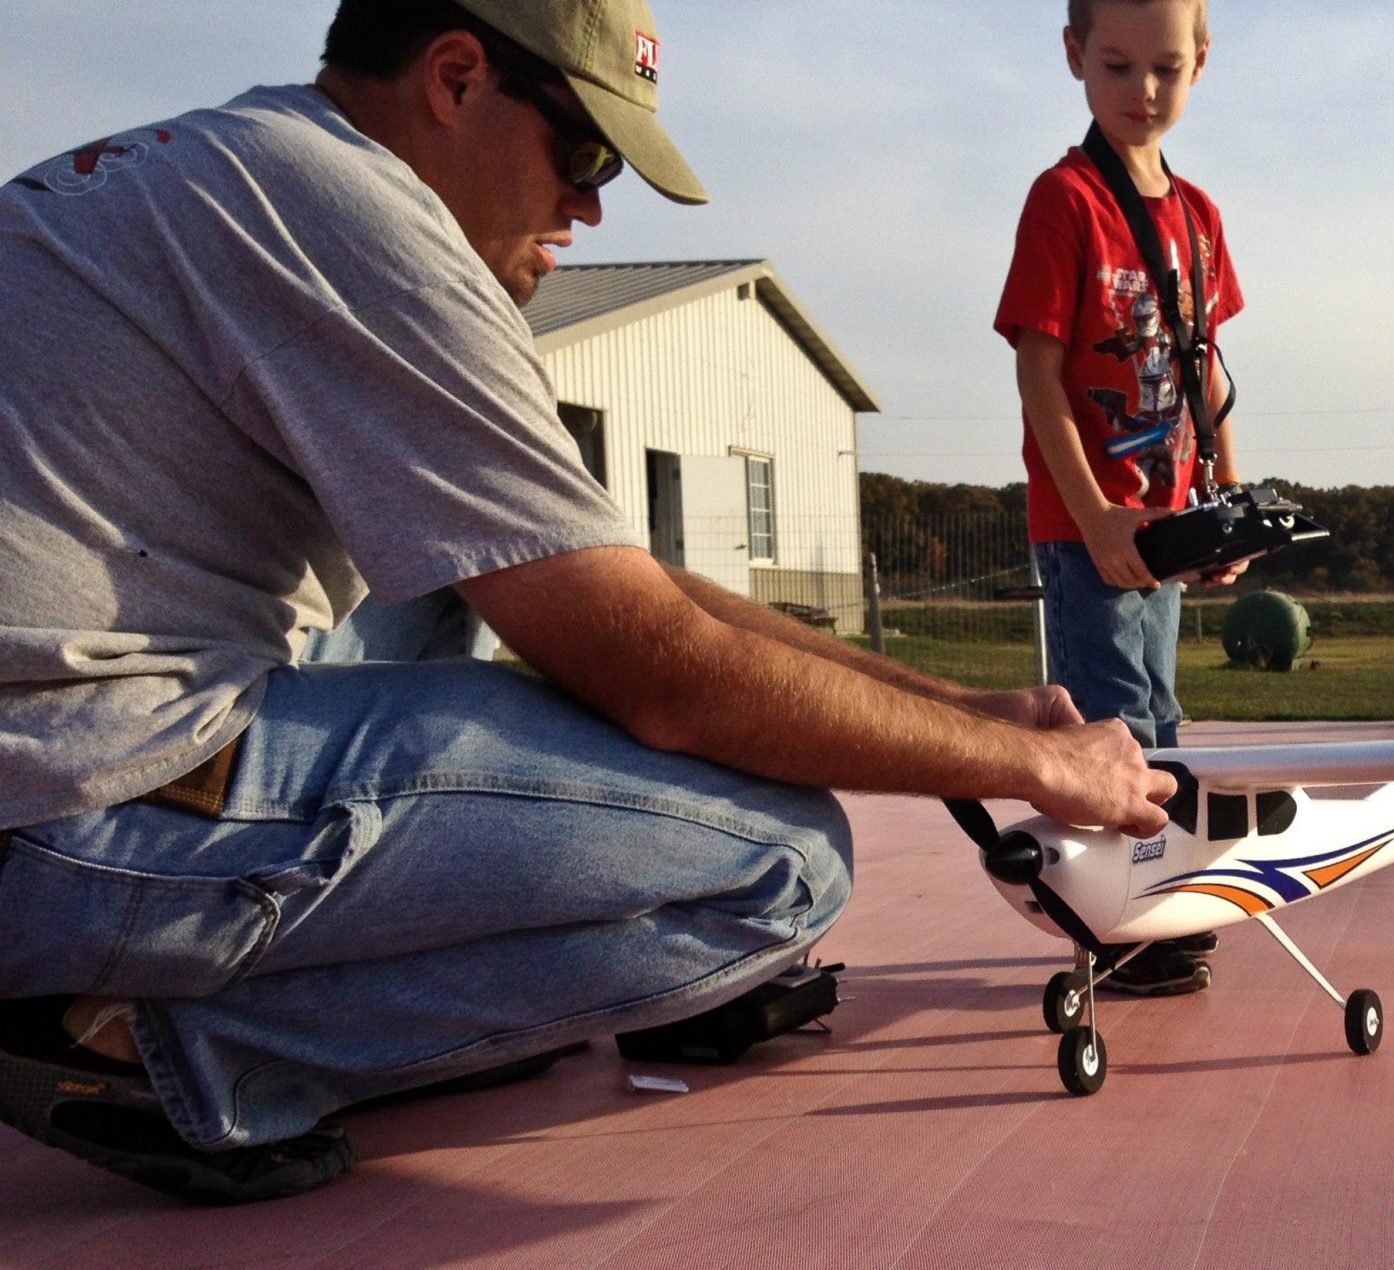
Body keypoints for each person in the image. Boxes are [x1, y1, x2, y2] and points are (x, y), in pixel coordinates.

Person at [0, 0, 1178, 1205]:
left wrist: (962, 701)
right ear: (455, 78)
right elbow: (659, 669)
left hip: (42, 772)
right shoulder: (361, 219)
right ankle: (153, 1053)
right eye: (585, 152)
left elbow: (617, 574)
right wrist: (1028, 767)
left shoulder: (218, 169)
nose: (592, 206)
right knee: (779, 862)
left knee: (454, 615)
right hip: (65, 810)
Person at [994, 0, 1246, 997]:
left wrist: (1226, 496)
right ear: (1073, 57)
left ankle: (1157, 897)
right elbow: (1038, 376)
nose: (1143, 91)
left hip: (1167, 525)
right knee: (1115, 721)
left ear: (1200, 61)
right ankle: (1121, 923)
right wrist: (1095, 514)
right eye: (1116, 65)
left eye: (1166, 69)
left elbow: (1208, 368)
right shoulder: (1064, 200)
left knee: (1162, 718)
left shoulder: (1198, 218)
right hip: (1093, 530)